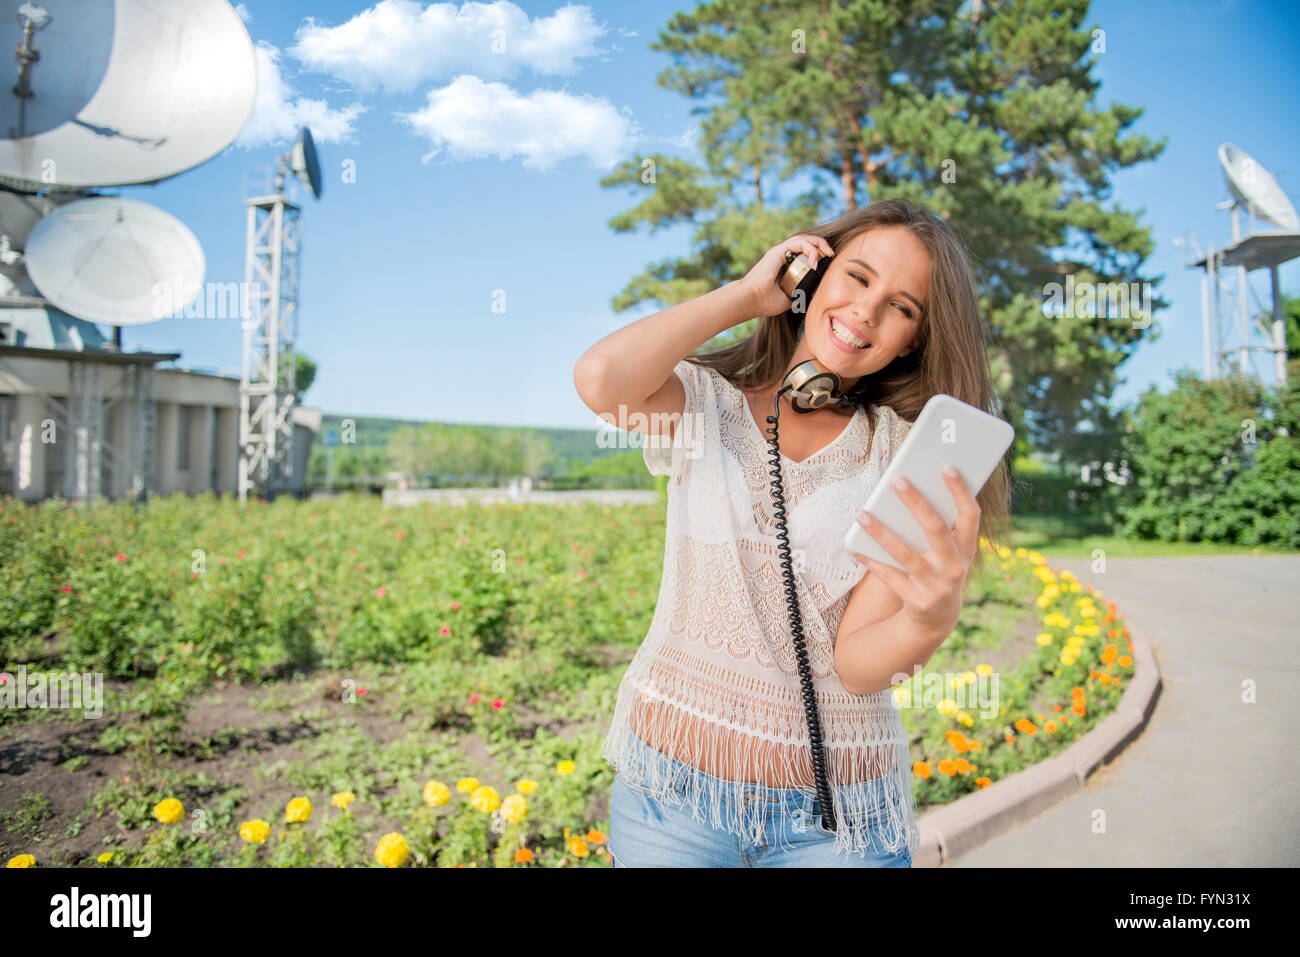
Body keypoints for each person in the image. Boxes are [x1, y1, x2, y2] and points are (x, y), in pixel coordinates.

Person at [573, 197, 1012, 867]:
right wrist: (748, 295)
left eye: (903, 307)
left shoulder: (903, 455)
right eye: (857, 277)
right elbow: (602, 379)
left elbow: (858, 665)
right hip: (672, 801)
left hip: (837, 823)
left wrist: (931, 619)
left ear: (914, 340)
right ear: (812, 277)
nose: (867, 310)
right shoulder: (705, 405)